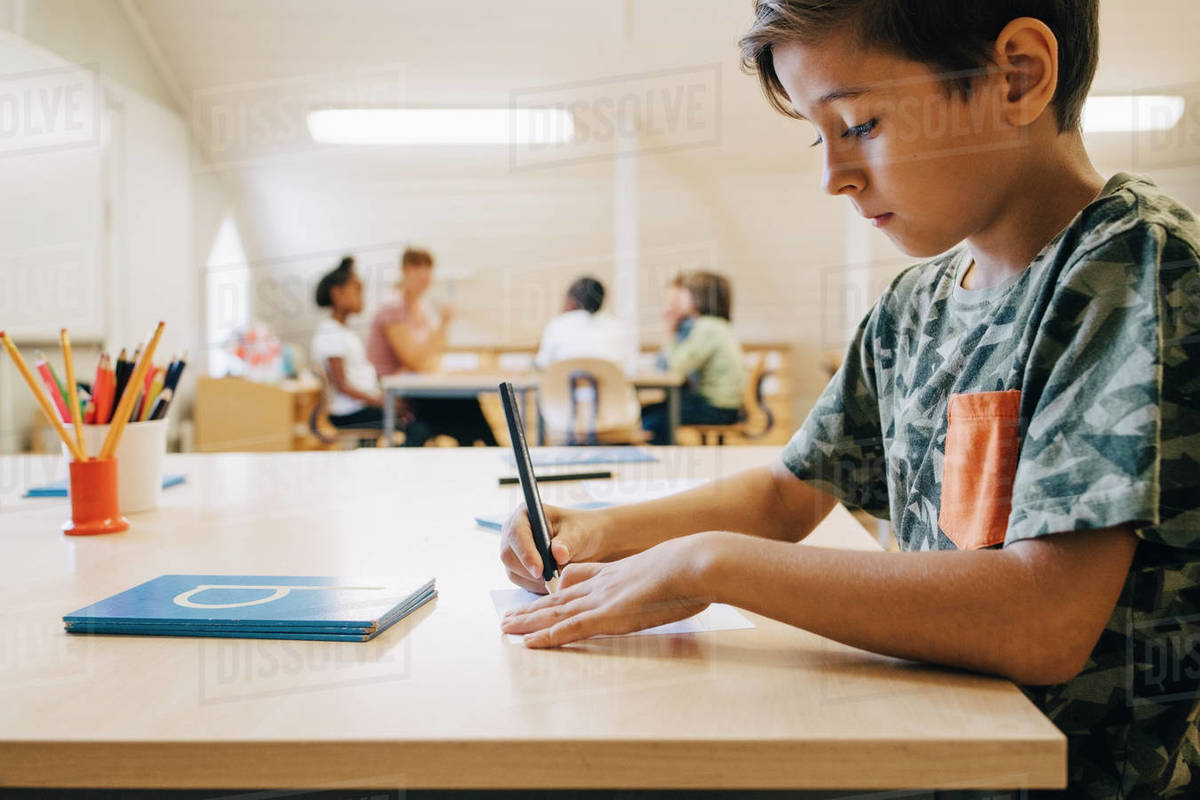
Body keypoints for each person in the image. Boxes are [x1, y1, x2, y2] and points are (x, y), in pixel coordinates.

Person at [498, 2, 1200, 797]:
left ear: (1018, 76)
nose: (835, 176)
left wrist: (708, 563)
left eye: (860, 124)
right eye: (818, 135)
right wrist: (599, 532)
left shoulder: (1132, 270)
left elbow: (1044, 619)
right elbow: (785, 494)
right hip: (935, 738)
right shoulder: (916, 305)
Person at [365, 247, 497, 446]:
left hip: (415, 386)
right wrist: (442, 325)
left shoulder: (422, 305)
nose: (425, 276)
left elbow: (435, 351)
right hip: (396, 392)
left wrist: (444, 324)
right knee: (466, 408)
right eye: (419, 269)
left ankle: (489, 449)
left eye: (428, 270)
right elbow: (415, 359)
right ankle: (493, 450)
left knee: (467, 404)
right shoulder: (393, 306)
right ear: (406, 270)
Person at [309, 257, 426, 444]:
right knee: (418, 427)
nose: (361, 297)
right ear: (337, 293)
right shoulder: (330, 333)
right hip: (349, 413)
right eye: (357, 290)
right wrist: (381, 402)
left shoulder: (342, 331)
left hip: (360, 406)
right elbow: (343, 386)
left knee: (416, 411)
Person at [640, 271, 746, 445]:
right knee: (651, 413)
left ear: (698, 297)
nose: (679, 299)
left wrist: (671, 330)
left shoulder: (707, 327)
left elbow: (675, 366)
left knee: (655, 420)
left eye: (684, 293)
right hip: (721, 404)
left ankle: (667, 459)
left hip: (718, 407)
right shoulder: (713, 325)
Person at [534, 276, 636, 374]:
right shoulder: (618, 327)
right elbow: (630, 368)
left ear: (572, 300)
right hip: (612, 391)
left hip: (563, 391)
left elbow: (542, 364)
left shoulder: (557, 325)